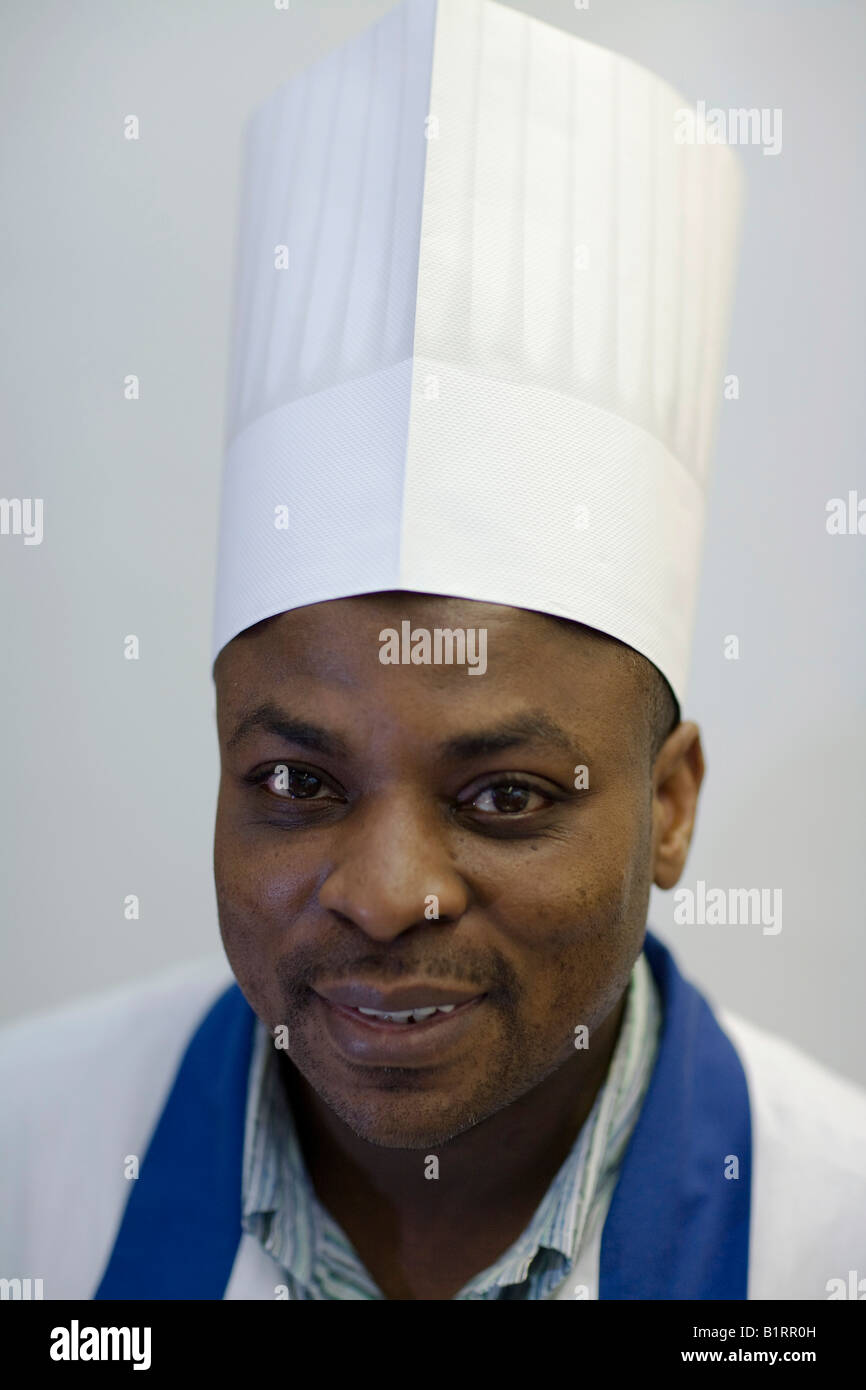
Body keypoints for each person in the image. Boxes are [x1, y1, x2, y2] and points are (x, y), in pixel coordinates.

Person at [2, 0, 865, 1301]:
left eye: (504, 796)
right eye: (298, 783)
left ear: (671, 804)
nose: (384, 890)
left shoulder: (827, 1233)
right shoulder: (30, 1160)